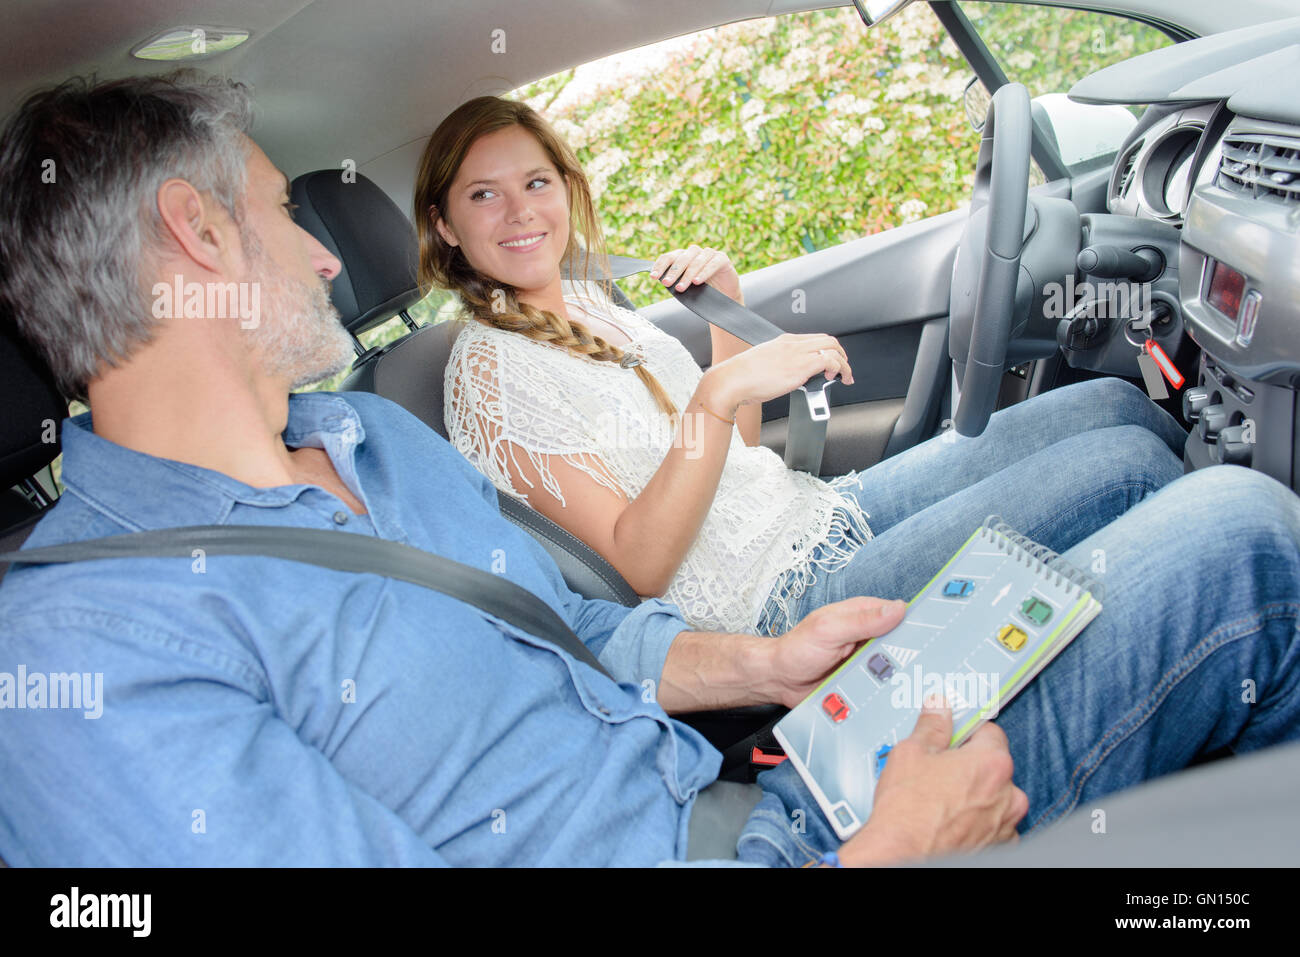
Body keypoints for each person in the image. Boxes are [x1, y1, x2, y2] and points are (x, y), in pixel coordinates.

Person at [2, 73, 1299, 869]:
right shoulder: (77, 669)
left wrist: (758, 666)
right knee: (1244, 540)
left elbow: (572, 623)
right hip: (815, 849)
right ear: (197, 231)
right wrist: (889, 854)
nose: (332, 256)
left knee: (1177, 484)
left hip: (759, 784)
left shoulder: (369, 440)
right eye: (288, 214)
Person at [423, 96, 1194, 638]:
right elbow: (639, 564)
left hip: (819, 516)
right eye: (483, 195)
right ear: (444, 225)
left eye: (535, 183)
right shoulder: (487, 370)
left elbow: (739, 460)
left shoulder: (593, 299)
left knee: (1112, 410)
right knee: (1122, 465)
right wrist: (717, 394)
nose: (520, 212)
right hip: (778, 602)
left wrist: (724, 317)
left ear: (567, 188)